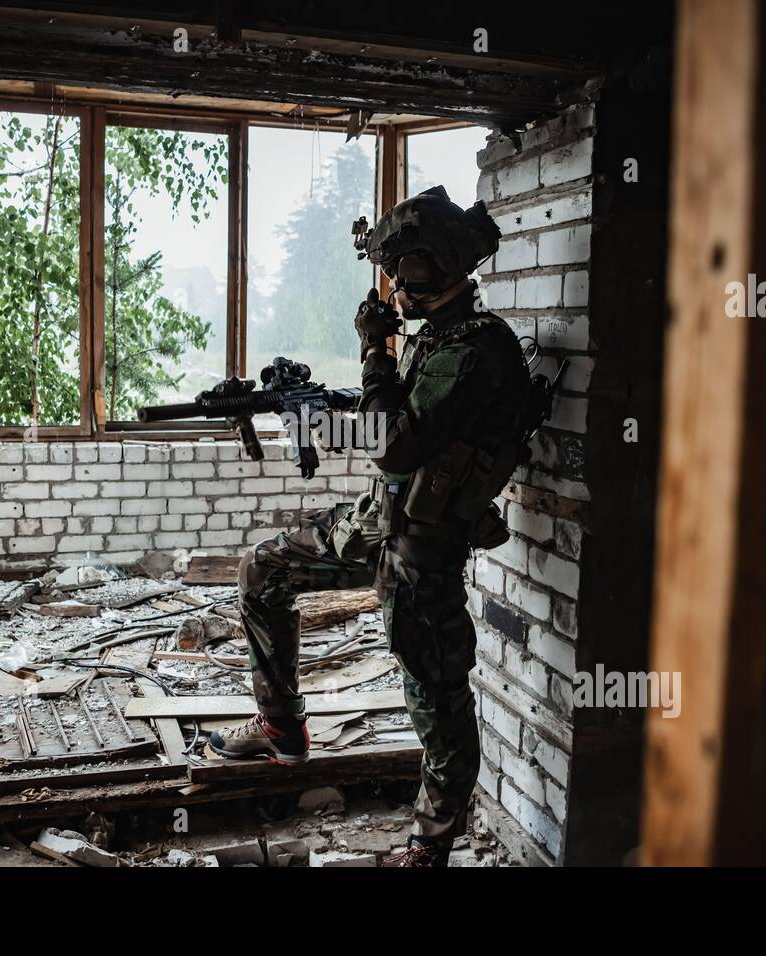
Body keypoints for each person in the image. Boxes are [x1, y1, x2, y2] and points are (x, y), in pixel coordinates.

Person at [208, 186, 532, 867]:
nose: (391, 286)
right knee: (263, 569)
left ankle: (430, 843)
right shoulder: (440, 339)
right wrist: (302, 404)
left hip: (422, 548)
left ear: (428, 270)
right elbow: (389, 415)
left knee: (435, 699)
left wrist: (375, 349)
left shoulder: (475, 351)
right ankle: (283, 725)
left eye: (399, 271)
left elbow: (393, 442)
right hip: (375, 521)